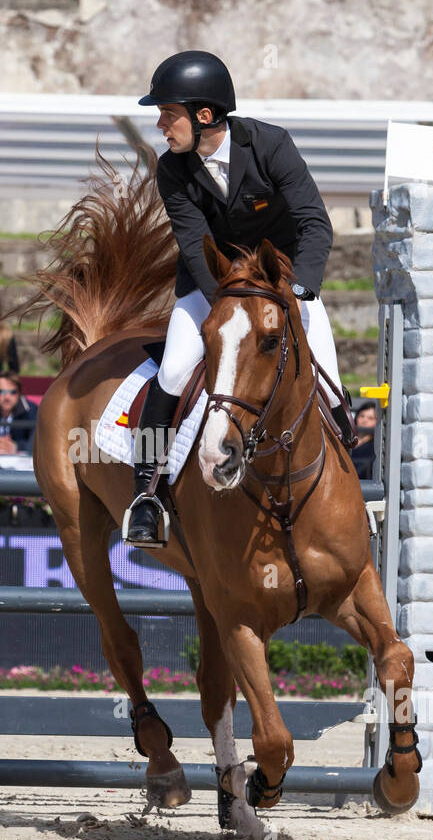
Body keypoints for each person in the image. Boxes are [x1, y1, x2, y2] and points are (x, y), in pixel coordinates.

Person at [126, 50, 345, 546]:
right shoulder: (172, 171)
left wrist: (301, 288)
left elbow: (314, 222)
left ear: (204, 116)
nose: (160, 124)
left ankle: (353, 483)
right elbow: (194, 244)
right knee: (175, 370)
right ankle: (147, 493)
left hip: (282, 281)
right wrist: (228, 301)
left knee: (330, 388)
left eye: (167, 113)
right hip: (214, 284)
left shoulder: (271, 145)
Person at [348, 401, 377, 480]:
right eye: (362, 416)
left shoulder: (375, 448)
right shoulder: (346, 442)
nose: (364, 420)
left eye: (370, 418)